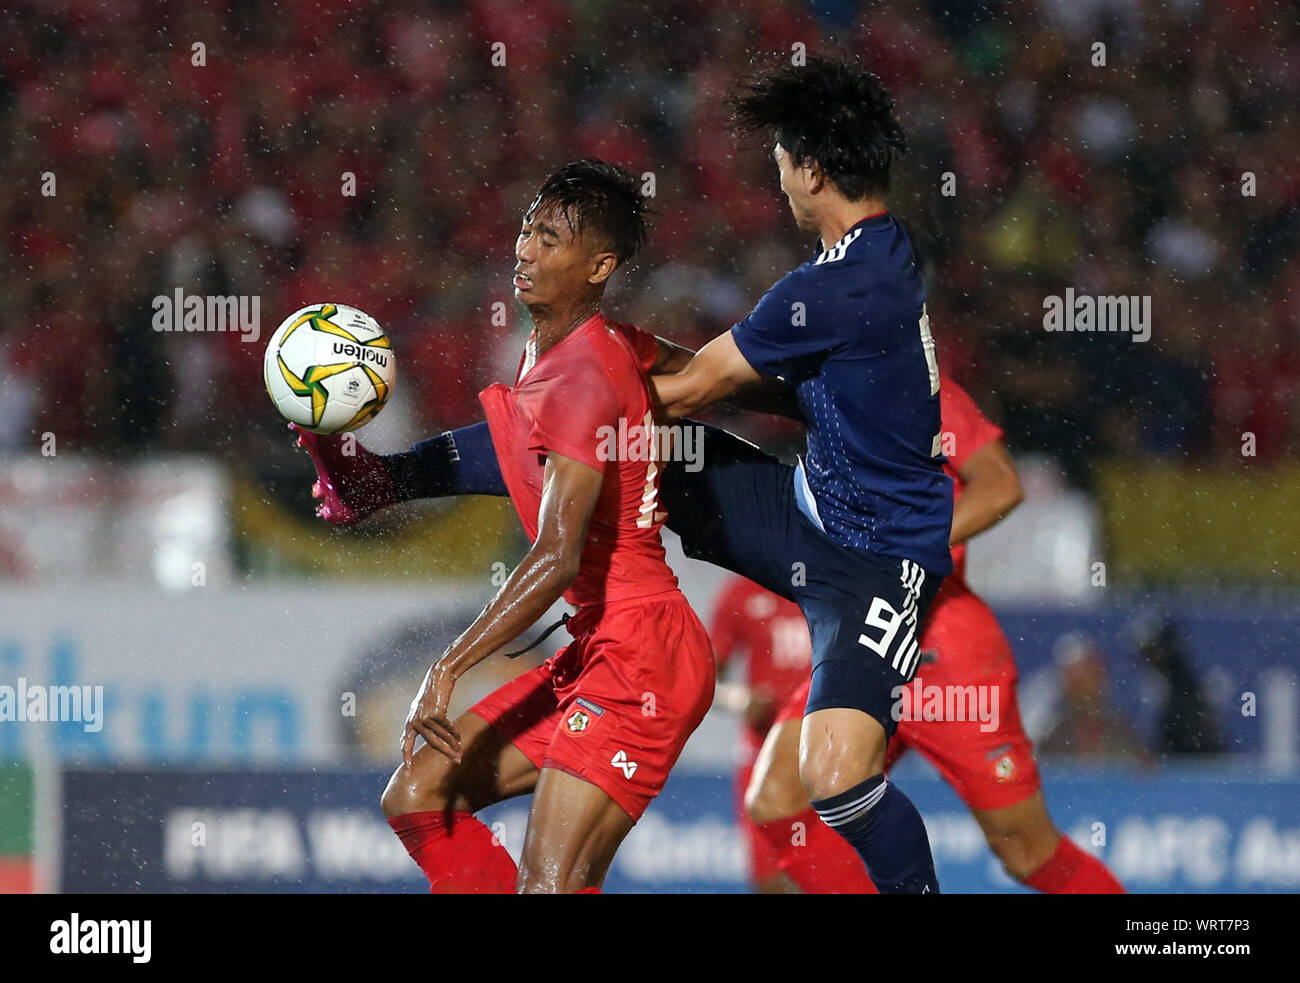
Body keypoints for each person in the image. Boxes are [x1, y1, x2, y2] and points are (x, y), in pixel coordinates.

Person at [315, 159, 718, 894]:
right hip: (601, 645)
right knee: (418, 795)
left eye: (552, 239)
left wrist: (448, 666)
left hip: (643, 657)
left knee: (550, 884)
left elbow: (559, 553)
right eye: (528, 229)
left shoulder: (581, 376)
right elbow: (705, 372)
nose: (526, 250)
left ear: (600, 265)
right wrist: (324, 439)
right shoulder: (582, 349)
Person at [739, 377, 1126, 894]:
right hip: (867, 641)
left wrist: (901, 553)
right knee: (775, 799)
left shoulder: (926, 395)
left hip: (944, 649)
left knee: (1027, 852)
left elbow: (1002, 485)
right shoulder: (825, 393)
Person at [709, 575, 813, 893]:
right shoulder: (743, 591)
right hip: (763, 757)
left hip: (830, 753)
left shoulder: (832, 580)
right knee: (771, 878)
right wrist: (741, 700)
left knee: (833, 870)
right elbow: (703, 679)